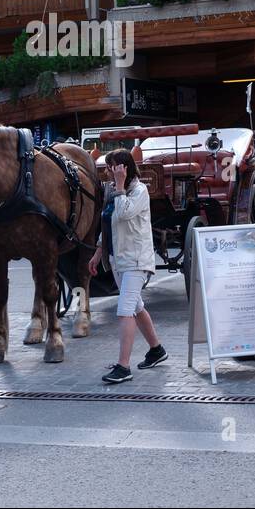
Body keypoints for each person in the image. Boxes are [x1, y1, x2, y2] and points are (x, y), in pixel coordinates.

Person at [90, 148, 164, 385]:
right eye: (109, 168)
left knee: (124, 311)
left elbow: (124, 214)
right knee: (137, 306)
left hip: (135, 261)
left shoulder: (139, 191)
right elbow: (109, 223)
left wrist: (120, 186)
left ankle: (123, 366)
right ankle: (156, 349)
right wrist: (99, 250)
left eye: (114, 167)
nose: (110, 172)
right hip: (118, 259)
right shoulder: (113, 191)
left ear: (125, 167)